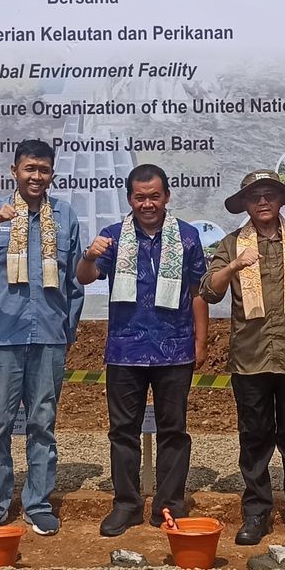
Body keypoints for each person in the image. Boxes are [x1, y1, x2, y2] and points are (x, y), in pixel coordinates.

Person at [0, 139, 83, 535]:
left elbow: (74, 280)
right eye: (29, 168)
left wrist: (68, 330)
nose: (36, 176)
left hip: (48, 337)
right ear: (14, 171)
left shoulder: (65, 216)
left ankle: (38, 504)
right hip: (1, 337)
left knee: (43, 423)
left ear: (51, 174)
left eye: (43, 170)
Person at [200, 170, 285, 546]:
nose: (262, 202)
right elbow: (209, 291)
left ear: (281, 201)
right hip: (251, 358)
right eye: (254, 196)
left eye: (269, 195)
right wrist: (233, 265)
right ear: (244, 203)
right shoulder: (230, 244)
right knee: (254, 438)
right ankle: (256, 512)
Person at [76, 164, 208, 537]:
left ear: (166, 196)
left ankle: (169, 504)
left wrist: (201, 341)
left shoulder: (187, 237)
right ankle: (127, 504)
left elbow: (198, 291)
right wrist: (88, 255)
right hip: (125, 350)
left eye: (154, 196)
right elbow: (85, 278)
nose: (147, 203)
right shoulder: (113, 238)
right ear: (130, 198)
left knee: (174, 431)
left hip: (175, 349)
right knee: (122, 432)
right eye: (139, 197)